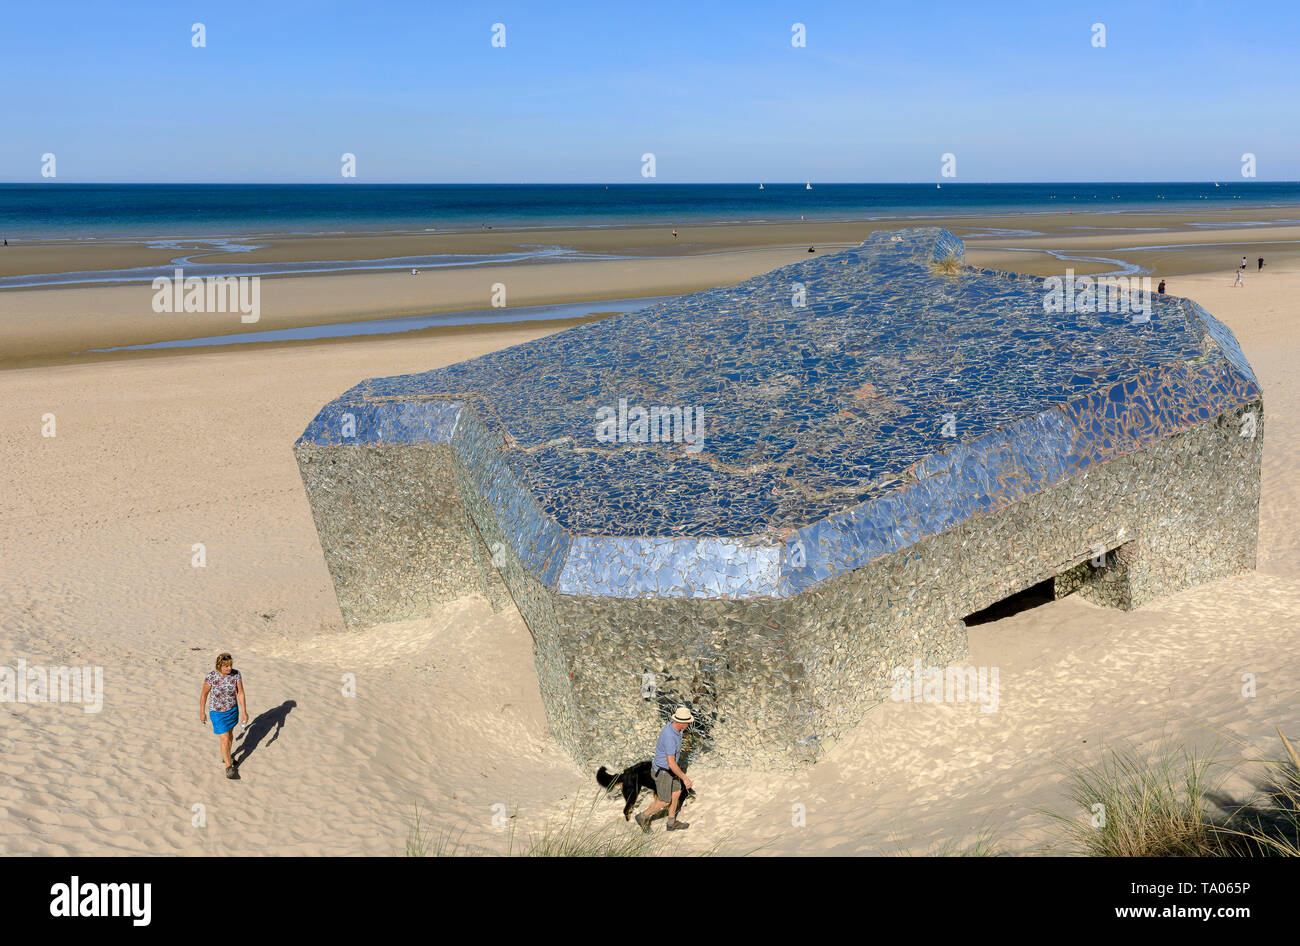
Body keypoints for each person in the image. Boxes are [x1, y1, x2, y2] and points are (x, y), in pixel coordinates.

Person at [635, 706, 694, 832]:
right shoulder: (669, 737)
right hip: (663, 772)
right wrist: (685, 778)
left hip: (670, 770)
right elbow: (671, 763)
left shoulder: (677, 728)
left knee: (677, 792)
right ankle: (642, 816)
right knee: (664, 801)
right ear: (681, 722)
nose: (689, 723)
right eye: (688, 721)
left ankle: (671, 823)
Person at [200, 652, 248, 779]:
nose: (229, 668)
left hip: (232, 710)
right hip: (216, 712)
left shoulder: (236, 674)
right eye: (226, 666)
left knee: (230, 735)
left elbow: (241, 693)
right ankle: (228, 766)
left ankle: (226, 754)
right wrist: (202, 712)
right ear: (219, 666)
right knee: (225, 738)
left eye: (230, 665)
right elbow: (204, 694)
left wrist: (244, 712)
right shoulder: (211, 677)